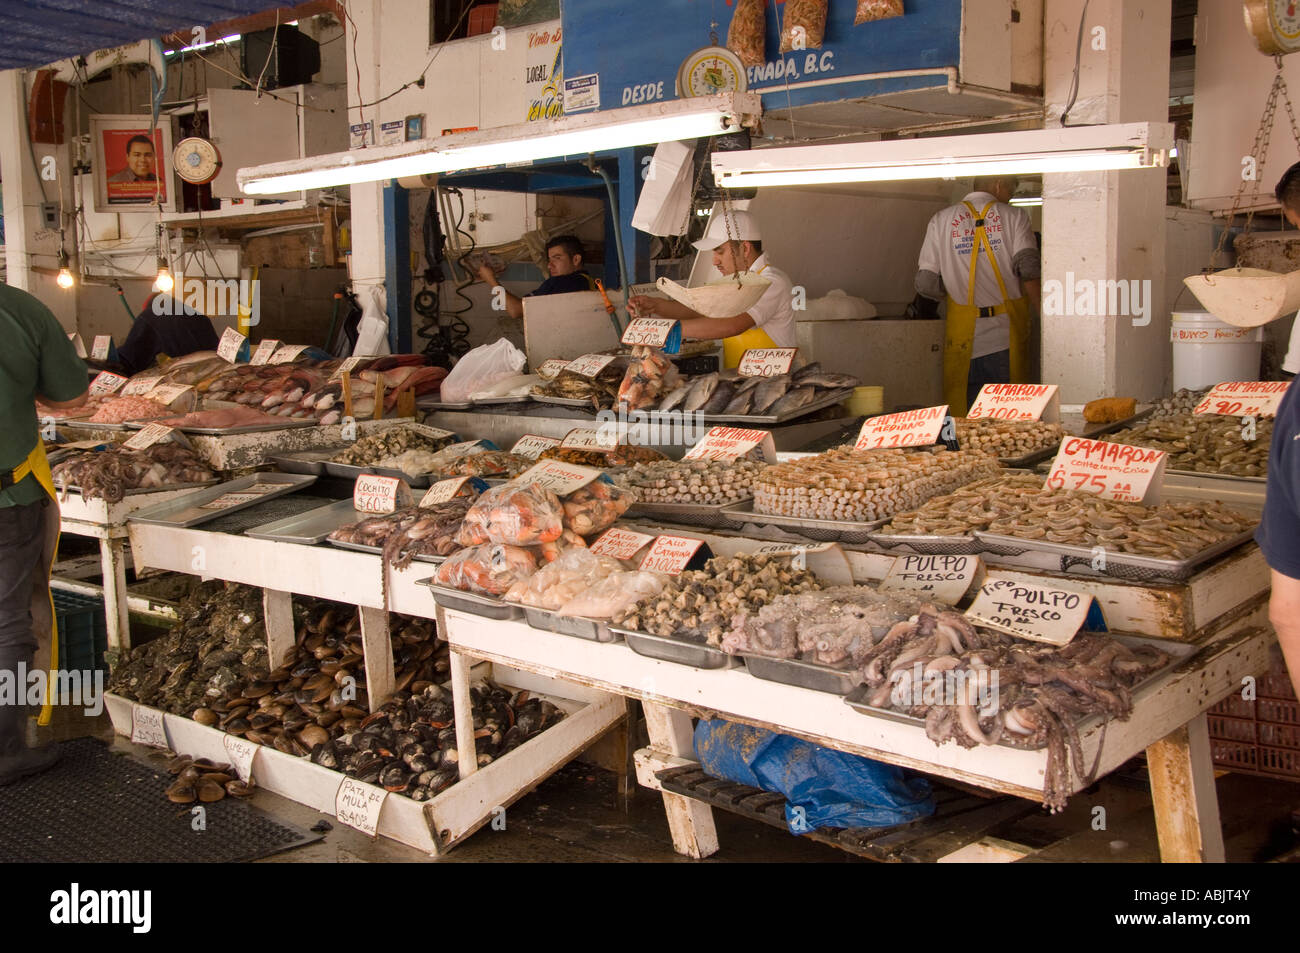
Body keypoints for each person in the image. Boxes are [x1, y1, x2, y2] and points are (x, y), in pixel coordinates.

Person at [0, 284, 89, 785]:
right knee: (6, 622)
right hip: (6, 499)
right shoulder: (18, 309)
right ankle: (4, 750)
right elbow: (73, 395)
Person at [911, 175, 1041, 416]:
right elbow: (1029, 270)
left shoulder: (940, 219)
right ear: (999, 184)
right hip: (1004, 337)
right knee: (1008, 425)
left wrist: (954, 285)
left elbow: (926, 283)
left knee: (964, 421)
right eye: (1012, 189)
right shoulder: (1015, 216)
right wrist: (1046, 317)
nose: (1011, 196)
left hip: (960, 339)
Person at [628, 210, 796, 368]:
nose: (714, 261)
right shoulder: (736, 281)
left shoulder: (771, 282)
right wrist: (656, 306)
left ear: (745, 248)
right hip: (740, 380)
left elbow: (733, 325)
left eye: (720, 252)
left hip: (774, 383)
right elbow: (700, 310)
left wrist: (667, 330)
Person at [476, 234, 596, 320]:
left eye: (557, 258)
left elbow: (515, 310)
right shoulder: (589, 282)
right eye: (549, 259)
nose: (549, 265)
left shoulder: (560, 282)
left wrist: (491, 280)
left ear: (576, 259)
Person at [117, 292, 220, 375]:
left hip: (188, 375)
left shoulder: (150, 317)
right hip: (216, 369)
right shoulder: (199, 316)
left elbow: (130, 360)